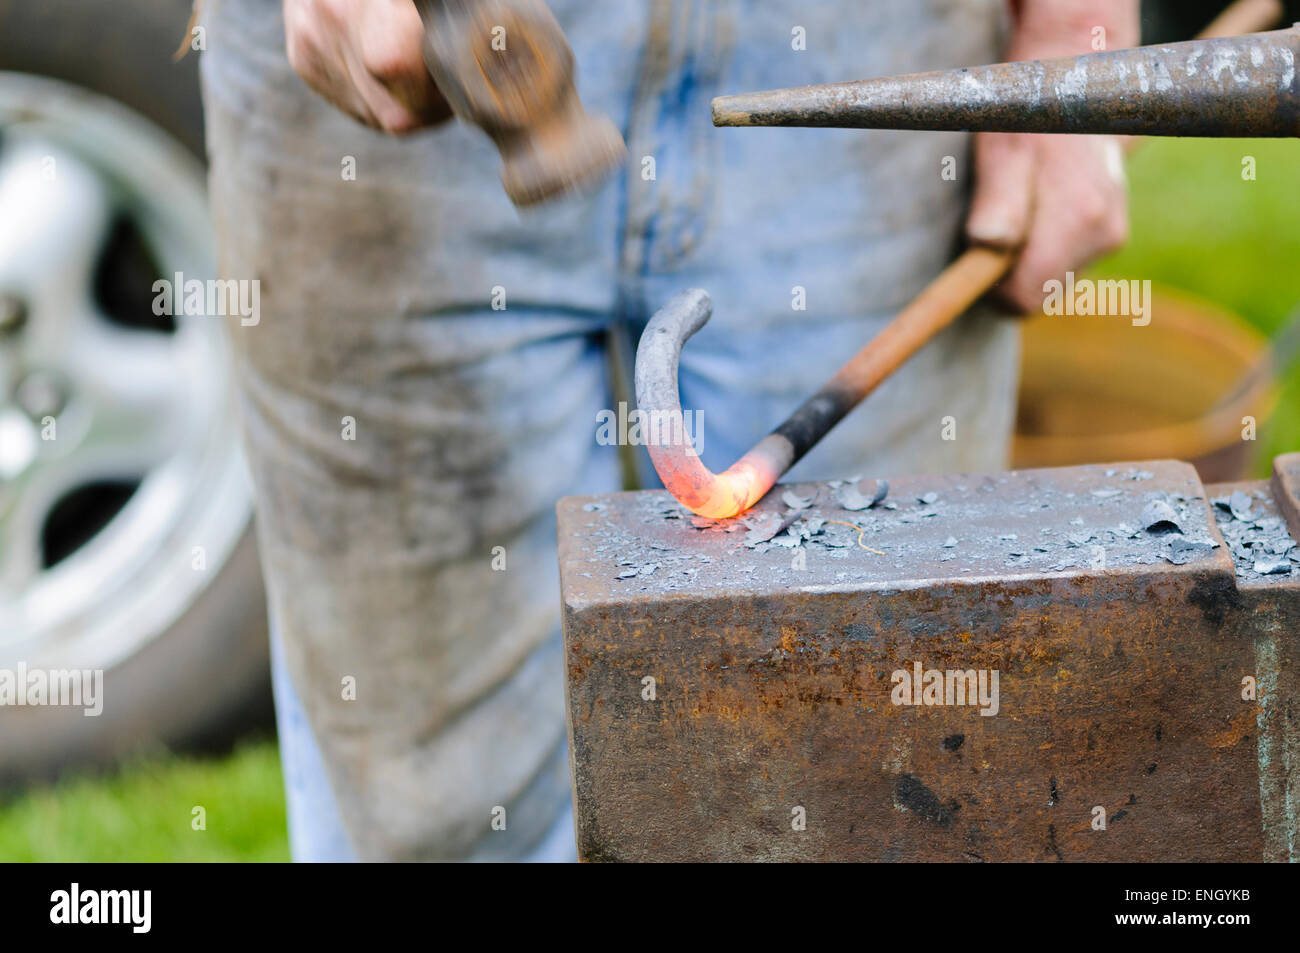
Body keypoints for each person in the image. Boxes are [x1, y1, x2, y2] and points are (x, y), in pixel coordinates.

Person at [198, 0, 1135, 861]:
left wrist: (1072, 23)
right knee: (434, 807)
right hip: (404, 85)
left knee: (877, 767)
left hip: (866, 44)